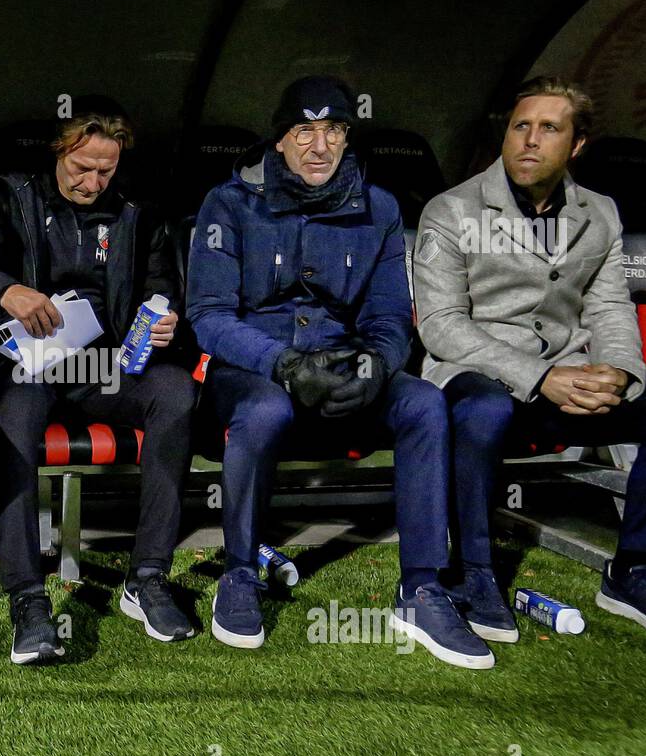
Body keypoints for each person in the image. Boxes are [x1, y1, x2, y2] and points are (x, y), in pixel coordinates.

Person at [188, 76, 486, 667]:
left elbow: (390, 315)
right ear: (280, 141)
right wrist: (284, 363)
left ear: (347, 138)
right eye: (304, 131)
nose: (319, 146)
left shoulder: (378, 207)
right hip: (256, 365)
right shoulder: (230, 202)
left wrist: (377, 366)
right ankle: (241, 572)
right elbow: (209, 317)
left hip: (345, 359)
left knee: (423, 403)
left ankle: (420, 587)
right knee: (265, 408)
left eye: (333, 130)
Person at [414, 76, 646, 643]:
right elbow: (441, 325)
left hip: (573, 382)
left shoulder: (599, 212)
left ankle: (630, 572)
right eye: (519, 127)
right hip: (485, 379)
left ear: (577, 145)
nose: (529, 141)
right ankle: (473, 574)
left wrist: (621, 372)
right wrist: (540, 376)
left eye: (549, 129)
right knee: (480, 411)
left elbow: (610, 308)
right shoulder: (451, 210)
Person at [0, 97, 195, 664]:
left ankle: (147, 578)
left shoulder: (138, 213)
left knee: (175, 392)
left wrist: (163, 319)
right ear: (58, 153)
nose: (93, 181)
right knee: (16, 413)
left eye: (106, 171)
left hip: (105, 367)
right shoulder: (7, 196)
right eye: (82, 168)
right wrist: (4, 289)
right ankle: (27, 598)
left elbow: (161, 287)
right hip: (32, 363)